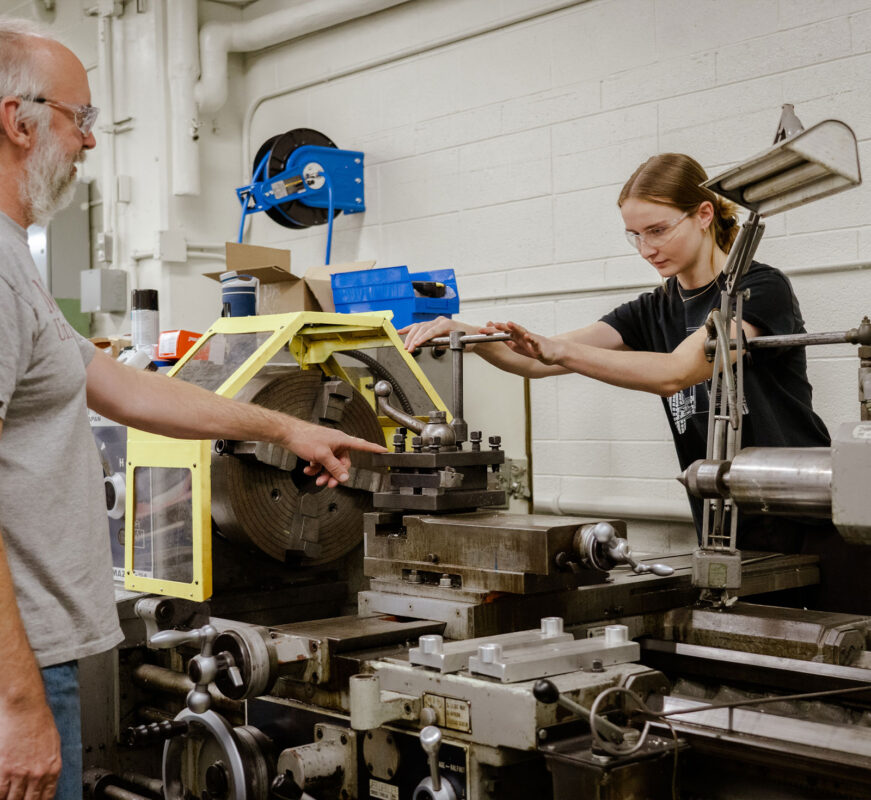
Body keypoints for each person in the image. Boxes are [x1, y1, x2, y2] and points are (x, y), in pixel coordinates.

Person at [0, 20, 386, 800]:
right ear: (18, 119)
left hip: (44, 649)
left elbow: (121, 387)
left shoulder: (16, 260)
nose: (90, 143)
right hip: (22, 663)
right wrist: (16, 704)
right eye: (82, 119)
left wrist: (282, 426)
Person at [402, 152, 838, 562]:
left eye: (658, 230)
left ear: (704, 214)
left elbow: (677, 372)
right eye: (635, 235)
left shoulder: (757, 289)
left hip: (804, 512)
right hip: (724, 518)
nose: (647, 248)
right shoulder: (654, 309)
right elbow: (535, 360)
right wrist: (460, 330)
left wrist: (558, 350)